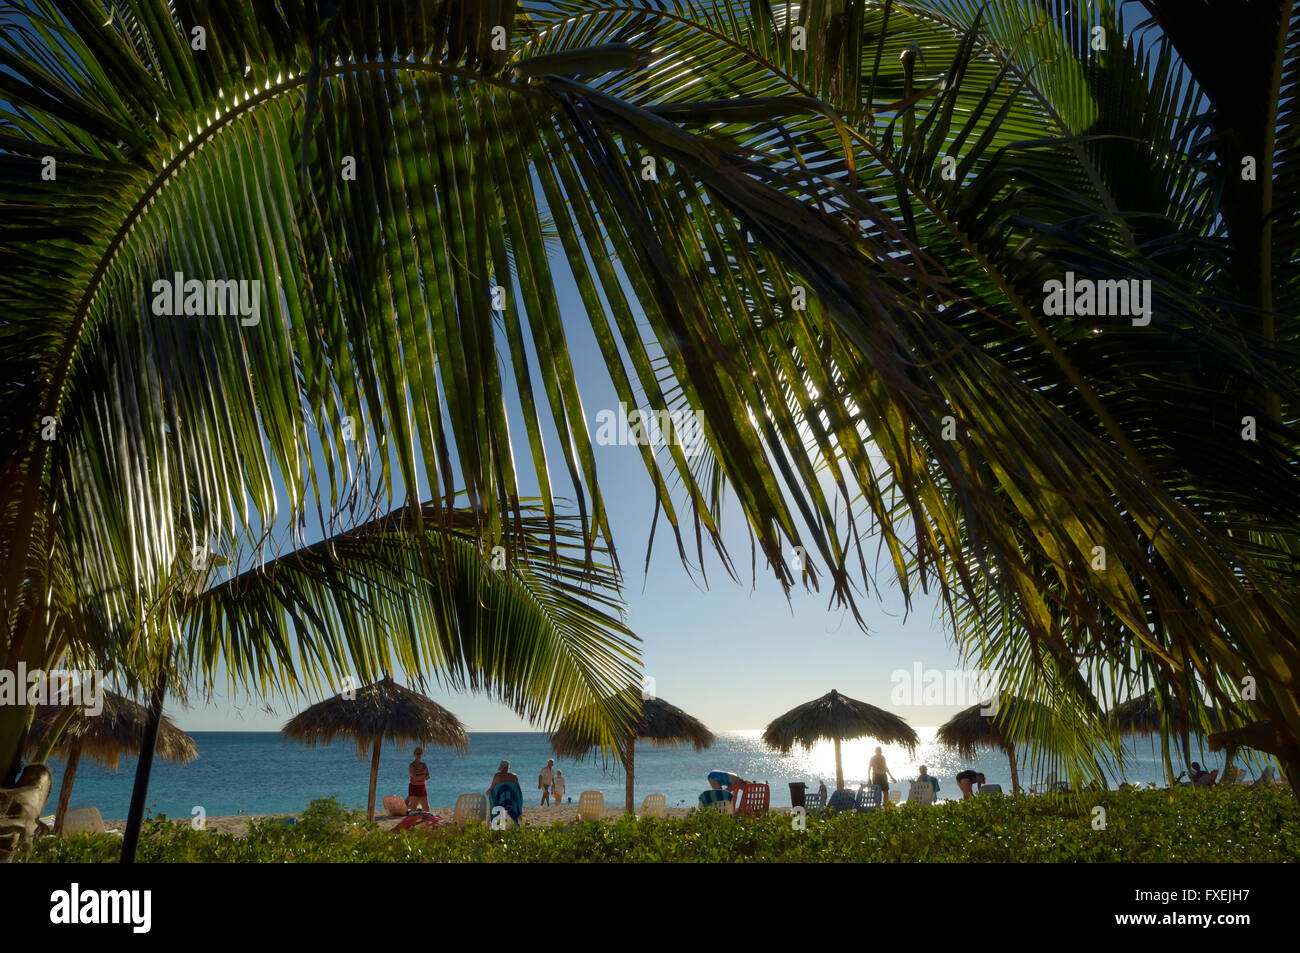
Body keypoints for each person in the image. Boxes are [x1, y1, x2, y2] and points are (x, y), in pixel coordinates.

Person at [407, 747, 431, 812]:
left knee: (427, 809)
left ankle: (425, 821)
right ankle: (412, 822)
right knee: (413, 809)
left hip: (422, 788)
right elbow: (415, 778)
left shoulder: (424, 765)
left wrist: (421, 777)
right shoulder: (412, 765)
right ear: (414, 754)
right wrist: (423, 777)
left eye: (420, 753)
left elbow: (428, 776)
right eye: (417, 753)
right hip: (414, 788)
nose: (418, 755)